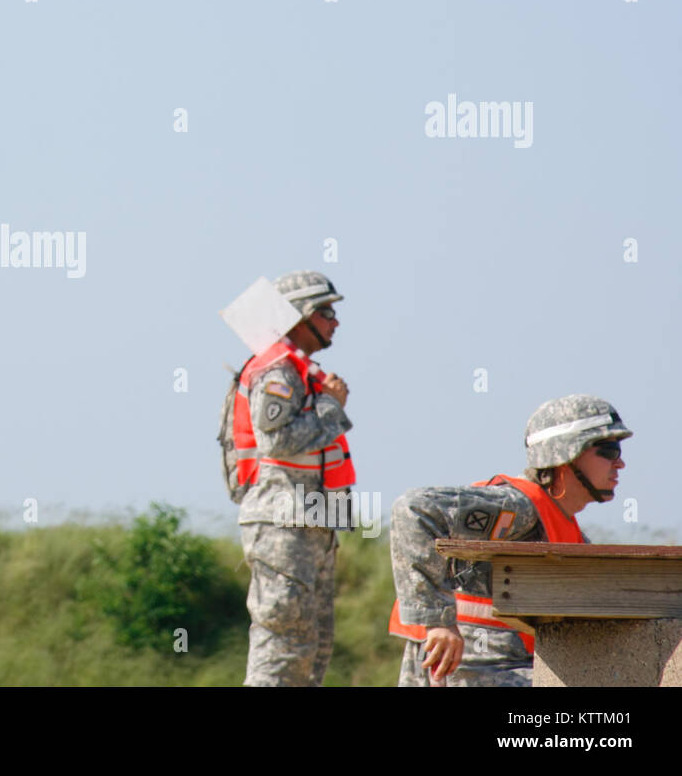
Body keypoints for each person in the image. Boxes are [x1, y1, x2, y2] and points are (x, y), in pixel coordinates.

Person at [388, 394, 629, 686]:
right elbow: (413, 510)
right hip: (468, 670)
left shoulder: (569, 533)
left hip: (503, 669)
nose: (620, 464)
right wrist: (438, 623)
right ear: (565, 453)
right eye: (609, 450)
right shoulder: (519, 507)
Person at [231, 270, 354, 686]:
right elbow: (278, 441)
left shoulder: (300, 370)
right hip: (284, 527)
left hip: (307, 526)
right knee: (282, 651)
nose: (335, 321)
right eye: (326, 312)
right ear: (298, 317)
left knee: (310, 652)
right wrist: (330, 407)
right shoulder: (279, 371)